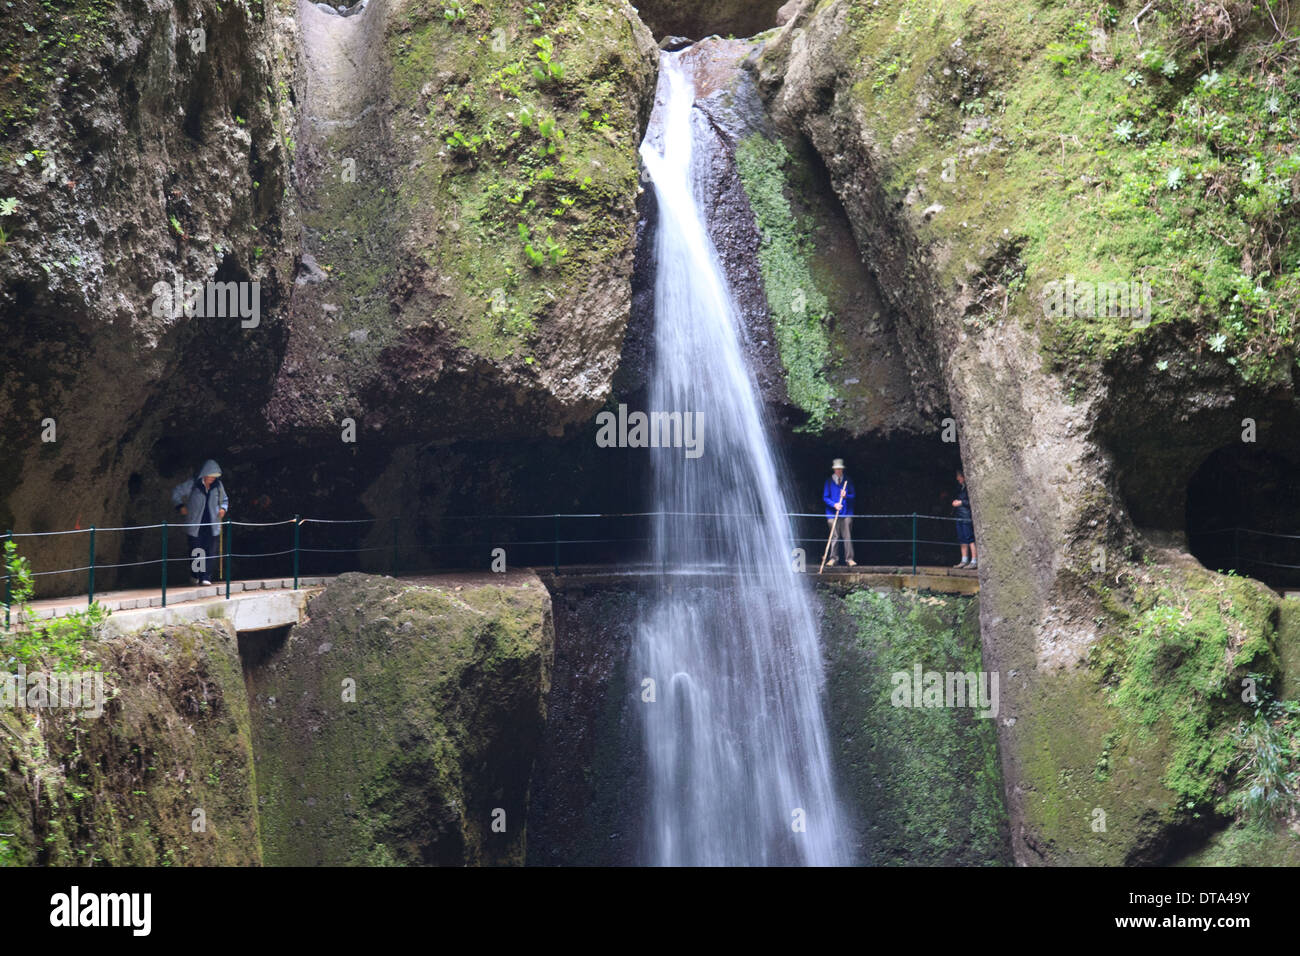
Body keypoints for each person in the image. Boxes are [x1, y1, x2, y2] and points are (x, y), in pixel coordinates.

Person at [171, 460, 229, 586]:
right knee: (196, 550)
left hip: (212, 525)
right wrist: (180, 506)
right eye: (211, 476)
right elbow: (176, 492)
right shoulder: (193, 484)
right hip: (195, 524)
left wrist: (223, 508)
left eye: (215, 477)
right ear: (205, 474)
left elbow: (225, 499)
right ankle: (196, 575)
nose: (213, 479)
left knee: (210, 551)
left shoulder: (218, 486)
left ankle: (206, 577)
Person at [822, 458, 856, 567]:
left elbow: (853, 496)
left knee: (847, 536)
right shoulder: (828, 481)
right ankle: (833, 559)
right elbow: (825, 498)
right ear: (834, 470)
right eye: (837, 469)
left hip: (846, 513)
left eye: (840, 469)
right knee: (834, 536)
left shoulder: (848, 481)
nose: (839, 471)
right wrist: (834, 505)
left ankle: (849, 559)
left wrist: (846, 496)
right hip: (832, 514)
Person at [952, 468, 977, 569]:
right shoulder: (960, 488)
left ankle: (974, 560)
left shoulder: (969, 488)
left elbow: (972, 501)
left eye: (959, 476)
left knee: (969, 538)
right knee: (962, 538)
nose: (957, 478)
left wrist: (961, 502)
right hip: (959, 515)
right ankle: (964, 560)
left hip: (967, 516)